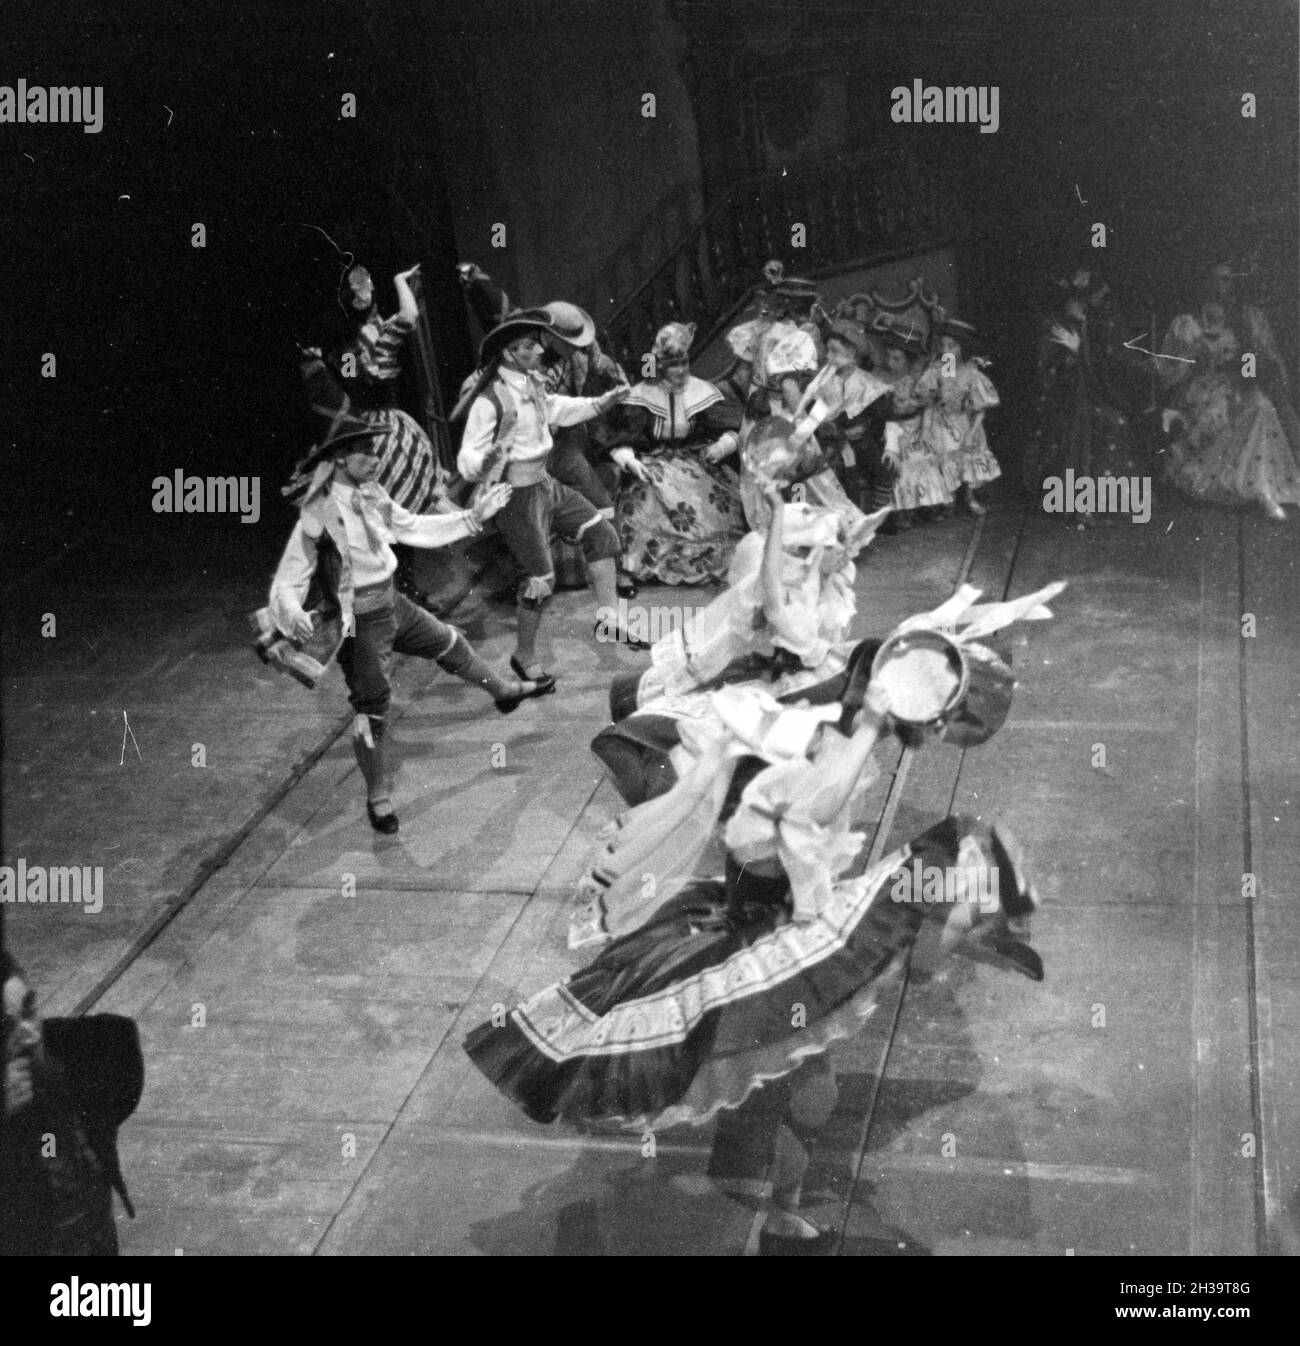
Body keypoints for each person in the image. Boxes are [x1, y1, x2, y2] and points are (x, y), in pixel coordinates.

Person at [464, 578, 1062, 1253]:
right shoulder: (819, 757)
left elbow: (848, 704)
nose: (936, 735)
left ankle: (771, 1205)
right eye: (940, 724)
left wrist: (908, 663)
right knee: (945, 870)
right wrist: (874, 724)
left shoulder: (822, 727)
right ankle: (756, 1209)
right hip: (768, 931)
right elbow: (810, 816)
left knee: (806, 1082)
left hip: (765, 913)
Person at [265, 405, 553, 835]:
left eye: (375, 450)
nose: (376, 458)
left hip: (393, 603)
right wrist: (292, 613)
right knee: (373, 709)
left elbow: (412, 527)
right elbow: (289, 578)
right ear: (340, 457)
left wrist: (472, 517)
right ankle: (377, 795)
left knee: (450, 643)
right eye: (366, 452)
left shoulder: (372, 493)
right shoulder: (319, 512)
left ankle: (504, 691)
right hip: (359, 624)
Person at [590, 478, 885, 812]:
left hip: (819, 678)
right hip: (791, 685)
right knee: (717, 733)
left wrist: (845, 535)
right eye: (832, 546)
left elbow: (845, 550)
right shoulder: (787, 602)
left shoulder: (831, 586)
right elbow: (772, 580)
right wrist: (776, 515)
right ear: (811, 553)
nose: (844, 552)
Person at [457, 311, 640, 675]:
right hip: (517, 497)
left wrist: (601, 402)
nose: (540, 350)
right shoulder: (490, 400)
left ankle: (610, 619)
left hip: (545, 484)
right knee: (540, 582)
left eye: (537, 343)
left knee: (602, 535)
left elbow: (557, 407)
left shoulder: (531, 383)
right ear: (509, 353)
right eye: (530, 346)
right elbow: (467, 458)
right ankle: (524, 656)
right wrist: (484, 462)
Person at [1, 949, 143, 1256]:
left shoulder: (64, 1065)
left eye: (29, 1011)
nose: (29, 1034)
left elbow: (119, 1038)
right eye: (5, 1028)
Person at [603, 322, 746, 585]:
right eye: (673, 366)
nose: (681, 371)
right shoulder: (642, 395)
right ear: (660, 366)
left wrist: (721, 446)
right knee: (646, 498)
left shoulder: (701, 391)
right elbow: (625, 436)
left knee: (722, 507)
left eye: (684, 363)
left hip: (694, 461)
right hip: (653, 462)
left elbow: (732, 428)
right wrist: (629, 460)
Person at [1158, 280, 1300, 520]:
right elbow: (1173, 369)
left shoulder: (1243, 320)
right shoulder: (1189, 323)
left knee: (1261, 406)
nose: (1222, 287)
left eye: (1227, 280)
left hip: (1235, 383)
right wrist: (1194, 359)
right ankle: (1235, 486)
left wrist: (1245, 377)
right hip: (1202, 386)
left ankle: (1261, 485)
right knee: (1216, 413)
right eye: (1217, 280)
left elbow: (1251, 361)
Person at [1029, 288, 1145, 525]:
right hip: (1070, 401)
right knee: (1080, 434)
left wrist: (1082, 350)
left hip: (1098, 396)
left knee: (1115, 425)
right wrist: (1074, 354)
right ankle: (1080, 503)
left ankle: (1109, 501)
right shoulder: (1057, 327)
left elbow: (1107, 364)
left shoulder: (1097, 324)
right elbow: (1050, 371)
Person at [911, 318, 1001, 515]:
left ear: (963, 348)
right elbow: (929, 402)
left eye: (951, 346)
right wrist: (926, 429)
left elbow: (980, 409)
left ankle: (969, 496)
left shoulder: (971, 373)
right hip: (940, 421)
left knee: (968, 456)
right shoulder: (938, 369)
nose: (946, 351)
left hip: (964, 422)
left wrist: (971, 433)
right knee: (944, 456)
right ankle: (948, 499)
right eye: (942, 346)